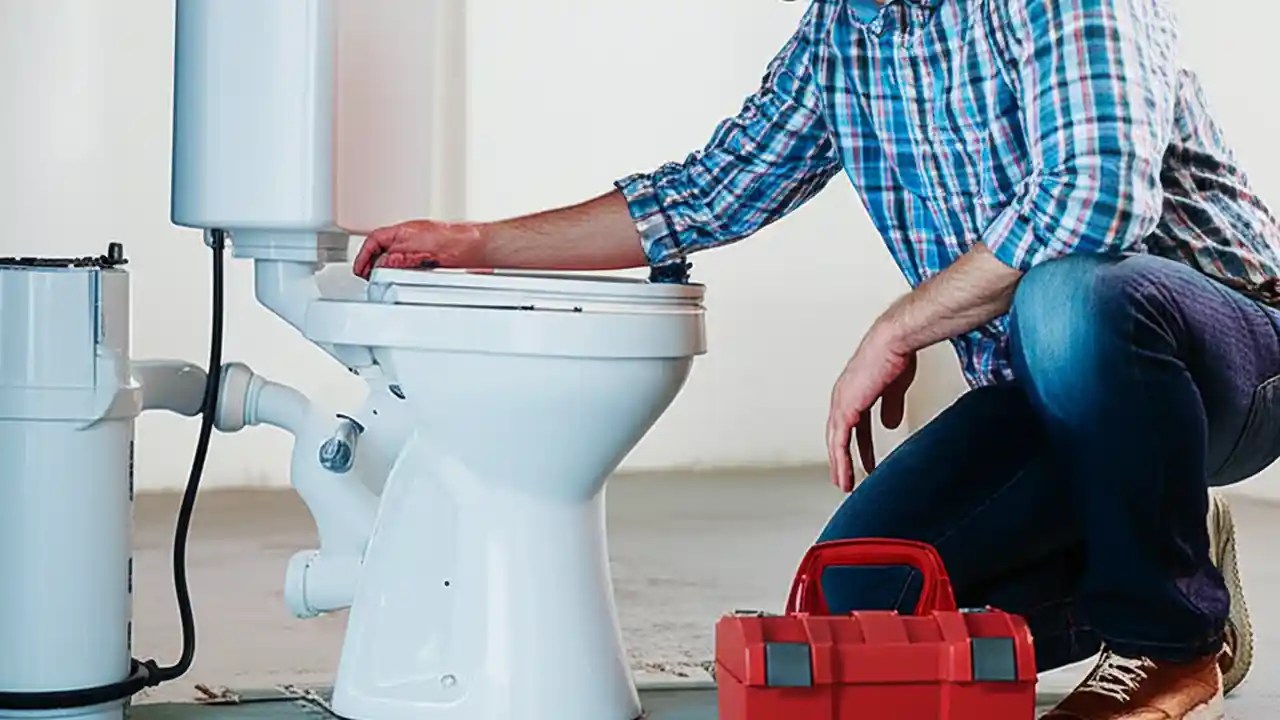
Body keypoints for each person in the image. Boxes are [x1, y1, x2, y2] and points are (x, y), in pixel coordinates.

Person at [353, 1, 1280, 717]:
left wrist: (899, 326)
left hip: (1230, 357)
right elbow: (707, 192)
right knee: (853, 606)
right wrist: (476, 240)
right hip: (1048, 395)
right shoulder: (847, 33)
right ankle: (1171, 545)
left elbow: (1096, 199)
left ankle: (1168, 637)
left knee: (1071, 292)